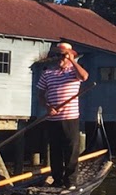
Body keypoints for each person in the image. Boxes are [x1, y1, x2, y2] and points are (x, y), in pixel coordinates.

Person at [37, 41, 89, 185]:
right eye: (58, 55)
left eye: (63, 55)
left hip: (70, 118)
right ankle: (57, 179)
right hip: (53, 119)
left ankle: (71, 180)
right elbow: (40, 95)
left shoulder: (74, 71)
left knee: (71, 150)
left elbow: (84, 77)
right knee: (55, 151)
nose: (60, 58)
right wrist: (47, 107)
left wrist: (72, 60)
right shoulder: (47, 73)